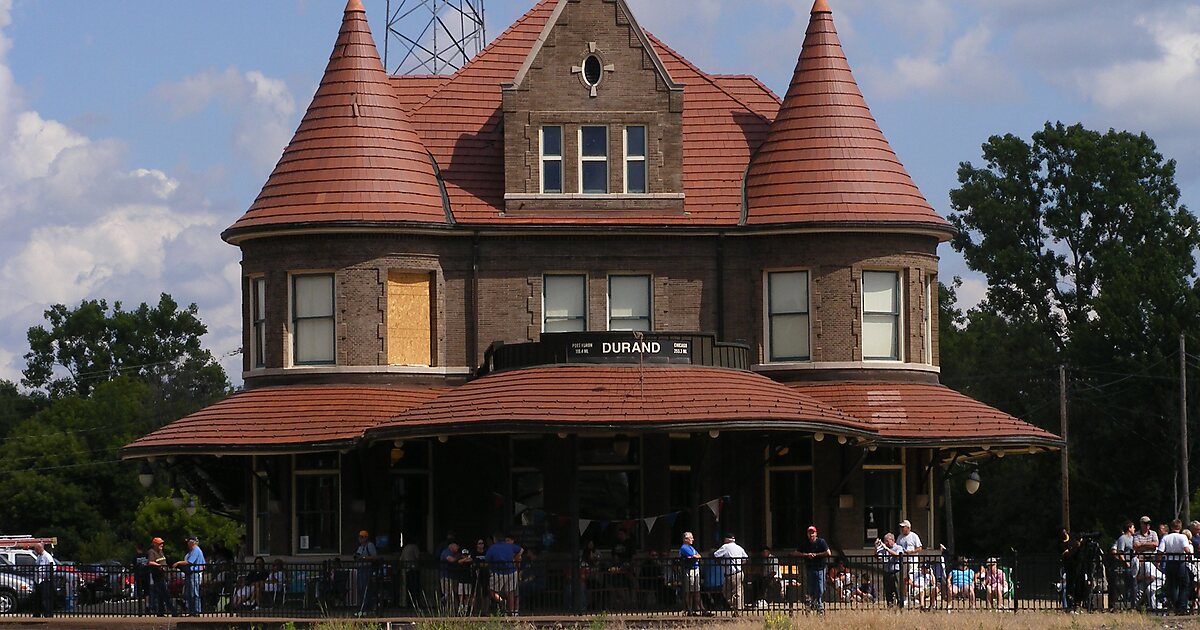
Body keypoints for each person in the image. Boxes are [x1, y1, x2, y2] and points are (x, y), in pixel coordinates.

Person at [1158, 518, 1194, 614]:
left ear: (1171, 527)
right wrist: (1189, 556)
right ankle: (1182, 607)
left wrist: (1158, 561)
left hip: (1170, 563)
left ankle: (1175, 605)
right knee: (1184, 585)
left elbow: (1160, 551)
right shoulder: (1183, 537)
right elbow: (1186, 549)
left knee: (1172, 585)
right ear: (1180, 527)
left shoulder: (1166, 538)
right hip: (1180, 562)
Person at [484, 532, 523, 615]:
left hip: (498, 572)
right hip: (511, 571)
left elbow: (487, 559)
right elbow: (521, 550)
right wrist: (515, 558)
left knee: (491, 590)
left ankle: (501, 601)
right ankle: (511, 612)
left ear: (495, 539)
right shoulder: (509, 546)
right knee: (511, 592)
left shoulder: (493, 547)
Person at [794, 525, 831, 613]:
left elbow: (828, 553)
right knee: (811, 589)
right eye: (809, 533)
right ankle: (818, 606)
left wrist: (816, 555)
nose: (811, 535)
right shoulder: (804, 543)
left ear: (816, 533)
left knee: (820, 588)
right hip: (810, 569)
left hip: (821, 568)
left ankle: (817, 604)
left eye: (812, 533)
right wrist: (807, 555)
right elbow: (796, 553)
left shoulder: (821, 542)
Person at [713, 533, 748, 614]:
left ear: (727, 539)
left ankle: (736, 608)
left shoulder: (725, 547)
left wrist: (721, 562)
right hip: (740, 572)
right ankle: (738, 608)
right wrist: (739, 564)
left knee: (726, 591)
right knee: (738, 591)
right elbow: (745, 559)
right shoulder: (739, 547)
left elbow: (715, 555)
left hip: (731, 573)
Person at [173, 536, 206, 615]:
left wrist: (178, 563)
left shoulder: (196, 550)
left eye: (188, 542)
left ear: (192, 542)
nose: (187, 544)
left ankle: (196, 611)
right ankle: (191, 611)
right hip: (190, 574)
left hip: (194, 574)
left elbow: (189, 562)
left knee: (194, 593)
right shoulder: (192, 551)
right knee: (189, 594)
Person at [1110, 521, 1137, 609]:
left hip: (1134, 563)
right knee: (1129, 585)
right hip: (1128, 564)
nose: (1134, 529)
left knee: (1134, 585)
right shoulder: (1123, 538)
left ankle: (1134, 604)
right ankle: (1128, 604)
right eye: (1133, 527)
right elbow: (1120, 552)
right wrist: (1125, 562)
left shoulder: (1134, 538)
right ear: (1129, 528)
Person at [146, 537, 177, 616]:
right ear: (155, 544)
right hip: (157, 576)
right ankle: (173, 611)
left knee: (161, 595)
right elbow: (150, 562)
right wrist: (159, 565)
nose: (162, 545)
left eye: (162, 543)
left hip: (164, 575)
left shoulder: (161, 551)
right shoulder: (152, 552)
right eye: (160, 543)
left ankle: (160, 612)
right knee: (165, 594)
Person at [679, 531, 707, 616]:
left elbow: (698, 555)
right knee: (689, 591)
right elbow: (694, 556)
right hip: (689, 570)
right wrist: (694, 557)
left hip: (695, 569)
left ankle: (701, 609)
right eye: (691, 538)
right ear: (685, 539)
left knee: (696, 590)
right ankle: (690, 610)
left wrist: (695, 556)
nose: (693, 539)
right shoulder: (684, 547)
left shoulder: (691, 548)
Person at [875, 532, 904, 608]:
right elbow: (878, 557)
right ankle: (890, 605)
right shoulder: (883, 549)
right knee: (888, 591)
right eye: (885, 541)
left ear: (893, 540)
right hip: (887, 572)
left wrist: (887, 549)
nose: (886, 543)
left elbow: (898, 555)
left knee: (897, 590)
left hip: (896, 572)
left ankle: (900, 606)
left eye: (887, 541)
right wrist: (876, 547)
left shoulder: (898, 547)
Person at [353, 530, 379, 615]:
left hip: (367, 568)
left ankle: (366, 608)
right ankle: (363, 608)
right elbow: (357, 555)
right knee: (360, 588)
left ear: (366, 538)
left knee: (366, 588)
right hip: (360, 569)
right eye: (359, 537)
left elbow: (374, 557)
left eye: (362, 537)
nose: (360, 539)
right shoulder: (360, 547)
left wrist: (364, 558)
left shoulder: (370, 545)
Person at [896, 519, 923, 599]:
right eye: (901, 527)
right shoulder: (900, 537)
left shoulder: (914, 536)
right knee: (904, 579)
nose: (902, 529)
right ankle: (905, 597)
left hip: (912, 561)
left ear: (908, 528)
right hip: (903, 561)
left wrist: (912, 552)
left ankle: (913, 596)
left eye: (903, 527)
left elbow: (920, 548)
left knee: (912, 578)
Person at [30, 542, 55, 618]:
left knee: (45, 598)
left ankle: (47, 614)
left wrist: (47, 576)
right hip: (38, 580)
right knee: (37, 598)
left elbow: (53, 567)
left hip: (44, 581)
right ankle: (37, 614)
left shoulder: (47, 556)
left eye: (36, 549)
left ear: (40, 549)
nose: (35, 551)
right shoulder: (39, 556)